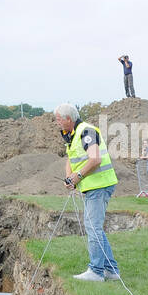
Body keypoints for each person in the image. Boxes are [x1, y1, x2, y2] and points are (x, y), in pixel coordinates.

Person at [55, 102, 120, 282]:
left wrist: (78, 176)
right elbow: (70, 159)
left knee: (93, 227)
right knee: (94, 227)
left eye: (59, 119)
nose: (57, 123)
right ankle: (111, 270)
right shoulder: (72, 135)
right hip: (92, 186)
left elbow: (95, 159)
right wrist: (70, 177)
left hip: (100, 185)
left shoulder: (86, 131)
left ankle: (96, 271)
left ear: (69, 119)